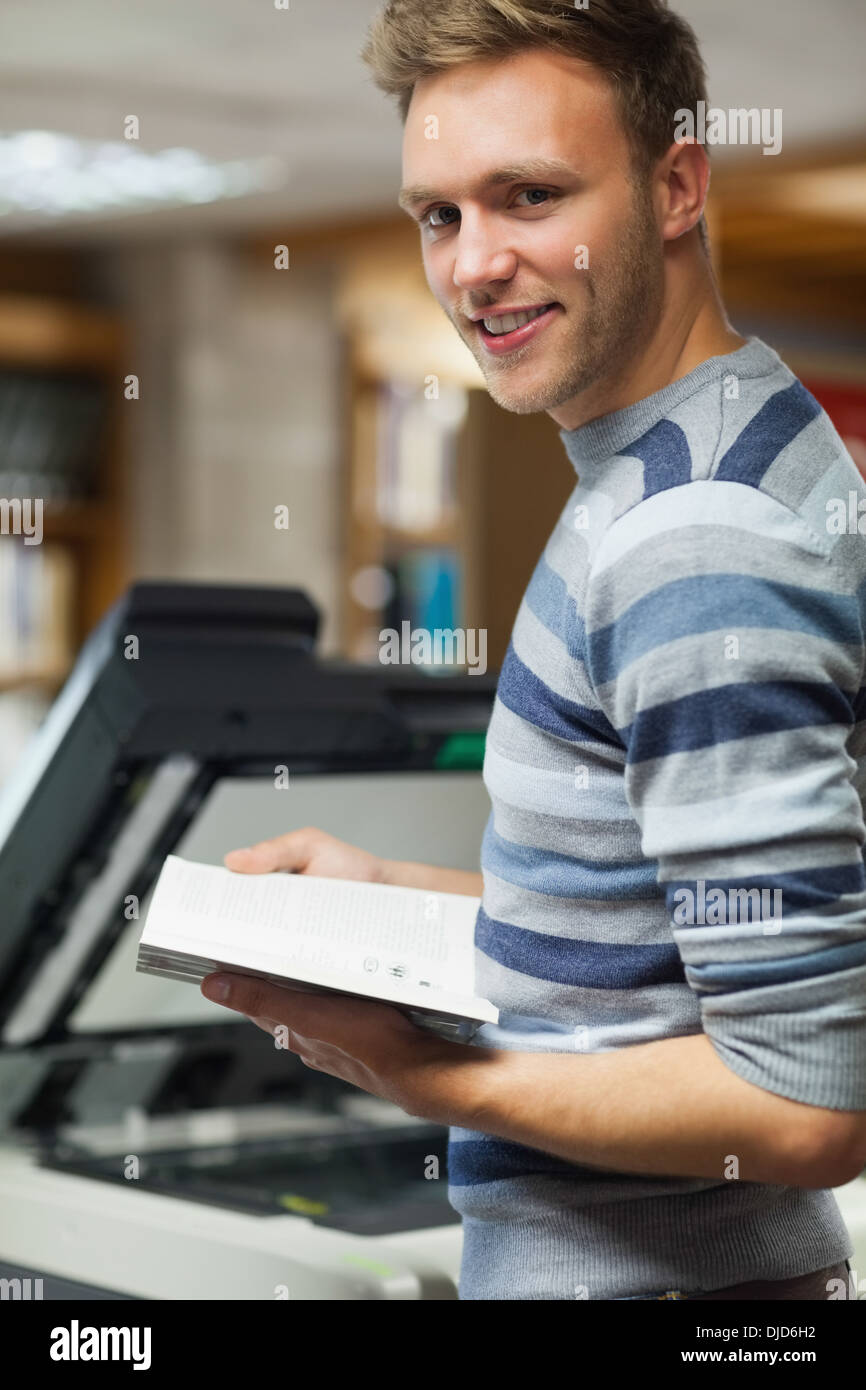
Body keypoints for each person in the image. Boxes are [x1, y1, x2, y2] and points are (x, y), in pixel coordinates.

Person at [201, 0, 866, 1300]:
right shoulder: (728, 432)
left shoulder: (693, 538)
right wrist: (387, 886)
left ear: (677, 184)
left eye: (526, 195)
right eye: (438, 214)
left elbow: (805, 1106)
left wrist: (420, 1072)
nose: (471, 265)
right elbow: (674, 931)